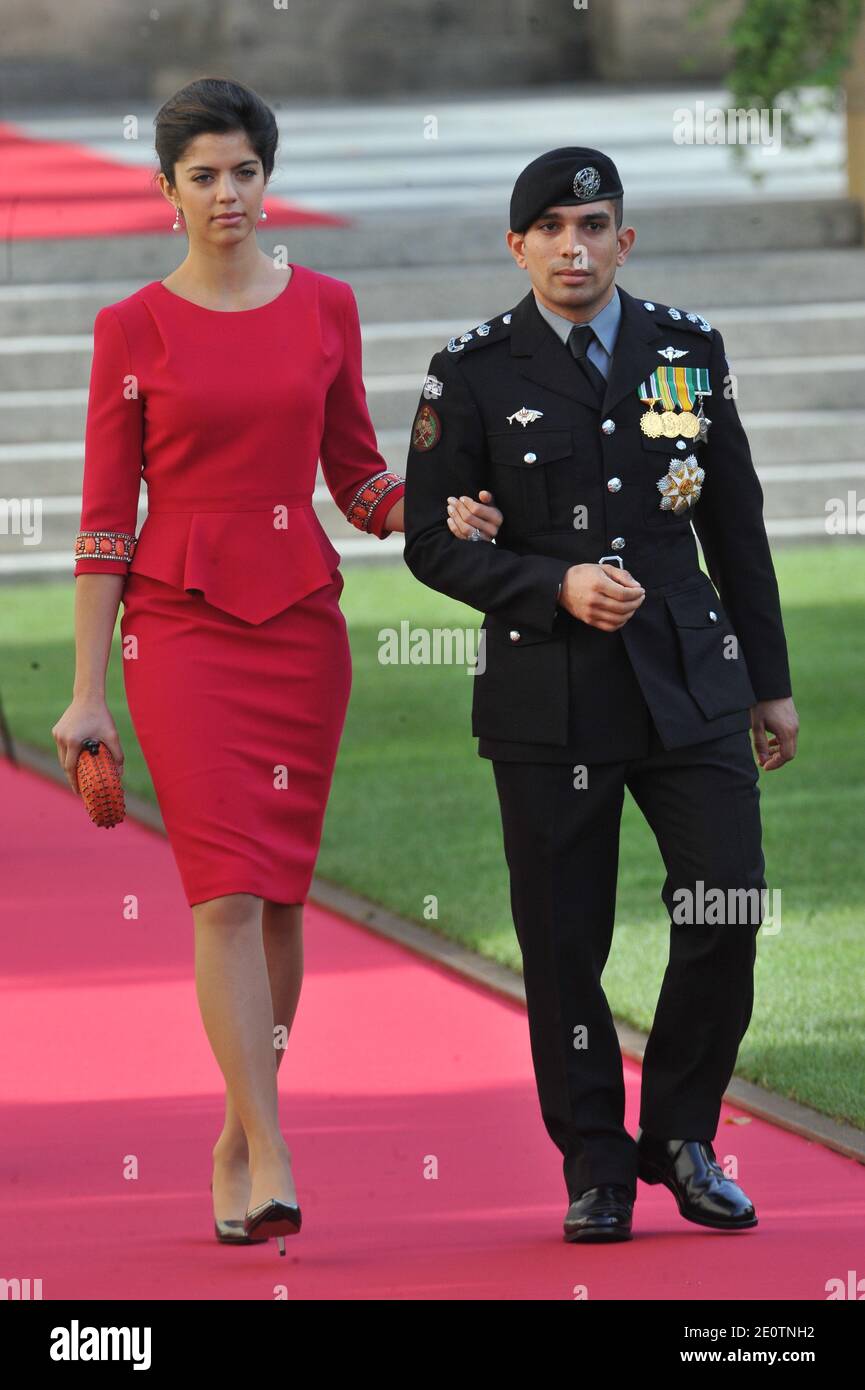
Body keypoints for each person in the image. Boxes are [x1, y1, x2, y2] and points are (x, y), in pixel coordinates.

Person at [50, 76, 501, 1258]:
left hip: (301, 625)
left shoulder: (328, 308)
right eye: (201, 174)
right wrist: (87, 688)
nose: (226, 193)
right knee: (227, 891)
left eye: (244, 170)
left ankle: (237, 1136)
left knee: (283, 895)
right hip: (177, 629)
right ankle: (275, 1144)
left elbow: (356, 477)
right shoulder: (129, 331)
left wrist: (438, 510)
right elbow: (104, 521)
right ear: (165, 190)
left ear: (267, 177)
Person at [403, 146, 799, 1243]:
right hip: (550, 693)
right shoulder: (470, 370)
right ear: (516, 244)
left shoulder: (687, 346)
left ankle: (680, 1132)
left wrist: (767, 684)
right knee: (564, 941)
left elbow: (734, 524)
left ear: (626, 238)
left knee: (724, 902)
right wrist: (548, 581)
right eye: (552, 229)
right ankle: (594, 1166)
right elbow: (430, 541)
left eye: (594, 225)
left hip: (688, 679)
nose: (573, 247)